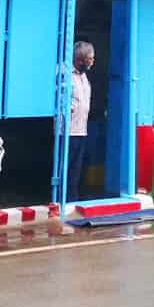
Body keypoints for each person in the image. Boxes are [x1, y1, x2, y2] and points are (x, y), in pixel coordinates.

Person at [66, 41, 94, 201]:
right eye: (90, 58)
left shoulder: (84, 77)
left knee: (76, 170)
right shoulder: (65, 74)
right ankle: (61, 200)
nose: (93, 61)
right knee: (66, 169)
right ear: (80, 59)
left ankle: (72, 200)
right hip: (66, 131)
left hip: (81, 130)